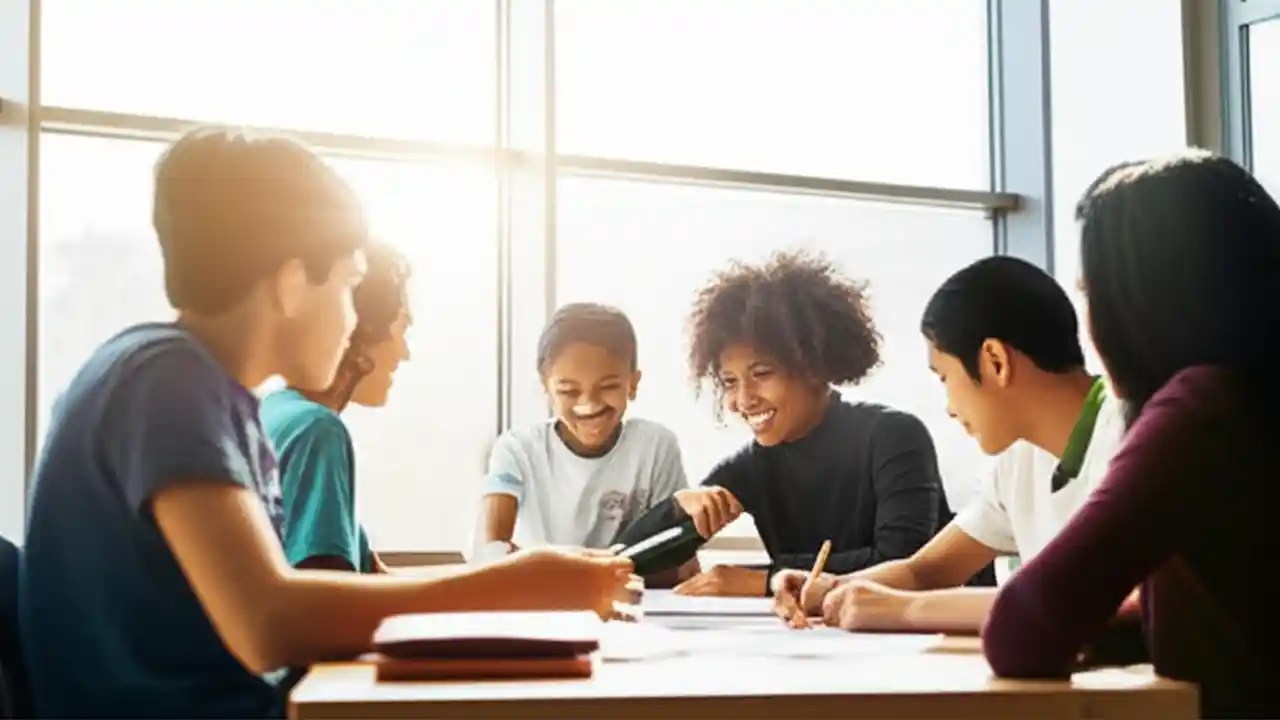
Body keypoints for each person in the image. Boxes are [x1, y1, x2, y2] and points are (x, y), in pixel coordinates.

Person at [18, 127, 631, 718]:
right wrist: (515, 588)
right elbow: (268, 621)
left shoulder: (183, 382)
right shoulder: (167, 382)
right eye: (349, 283)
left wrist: (520, 583)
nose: (352, 318)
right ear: (291, 283)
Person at [982, 151, 1279, 718]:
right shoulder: (1251, 400)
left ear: (1142, 299)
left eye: (1090, 292)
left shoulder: (1202, 409)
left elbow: (1022, 630)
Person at [772, 256, 1127, 633]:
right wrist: (832, 588)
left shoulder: (1133, 435)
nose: (949, 409)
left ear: (995, 361)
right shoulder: (1019, 459)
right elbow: (925, 571)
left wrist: (904, 610)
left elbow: (1100, 601)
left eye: (943, 377)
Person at [615, 249, 946, 597]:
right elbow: (623, 562)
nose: (743, 399)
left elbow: (904, 561)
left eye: (761, 374)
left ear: (813, 366)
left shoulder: (893, 437)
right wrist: (676, 508)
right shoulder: (753, 467)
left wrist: (764, 580)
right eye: (730, 382)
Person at [476, 303, 691, 585]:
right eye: (568, 391)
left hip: (630, 598)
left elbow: (678, 559)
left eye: (608, 387)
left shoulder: (655, 447)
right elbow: (491, 552)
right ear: (546, 386)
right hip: (545, 597)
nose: (588, 405)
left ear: (633, 383)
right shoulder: (517, 449)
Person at [261, 240, 412, 574]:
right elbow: (330, 589)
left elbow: (380, 579)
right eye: (401, 329)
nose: (405, 353)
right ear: (363, 328)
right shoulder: (317, 430)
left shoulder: (274, 412)